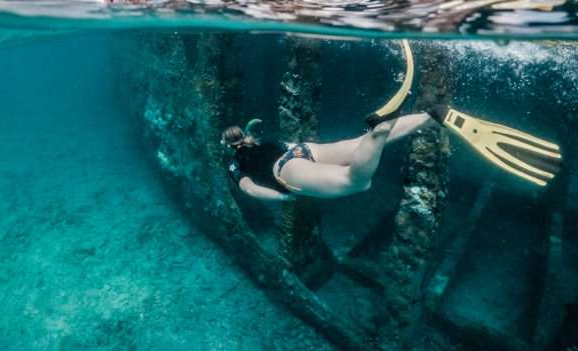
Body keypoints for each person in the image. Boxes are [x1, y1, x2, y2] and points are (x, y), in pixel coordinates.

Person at [223, 41, 562, 202]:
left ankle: (378, 129)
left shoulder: (235, 165)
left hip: (288, 171)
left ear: (228, 147)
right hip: (301, 149)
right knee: (357, 146)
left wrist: (281, 199)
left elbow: (252, 189)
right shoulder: (254, 138)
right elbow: (255, 134)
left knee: (357, 180)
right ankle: (432, 114)